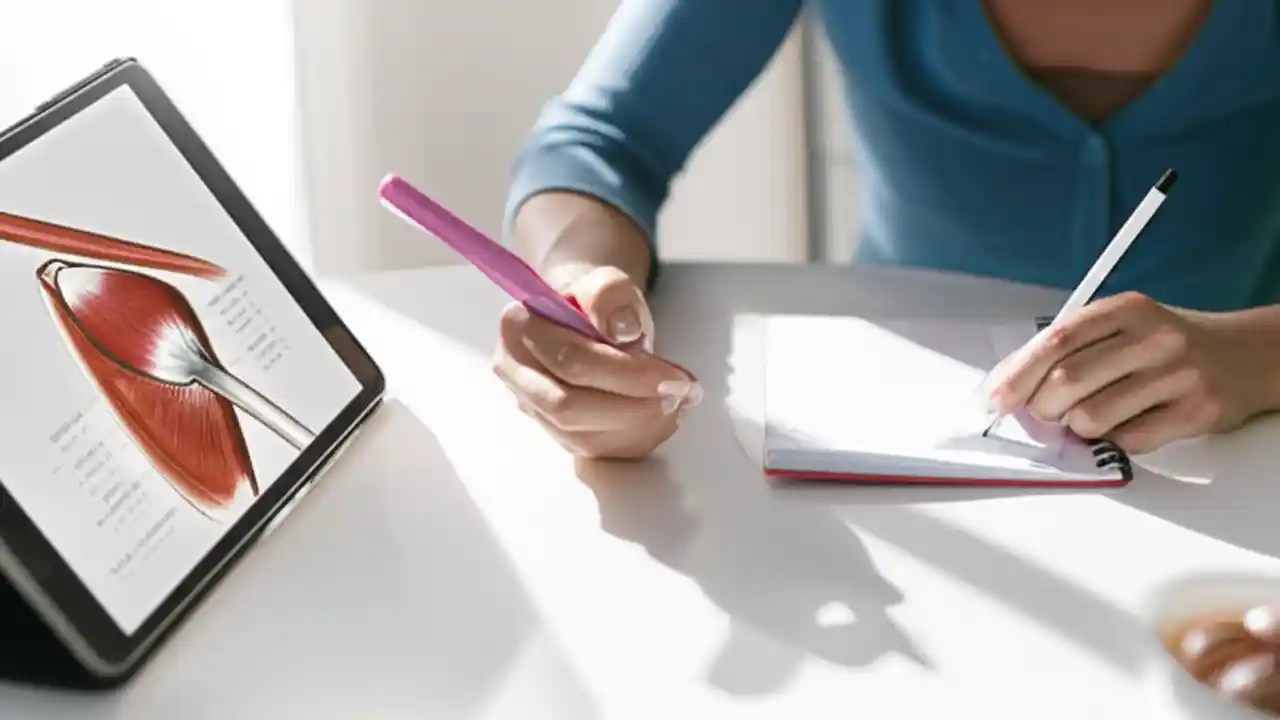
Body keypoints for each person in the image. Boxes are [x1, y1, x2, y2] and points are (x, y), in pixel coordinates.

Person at [494, 1, 1280, 460]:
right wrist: (582, 291)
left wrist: (1250, 359)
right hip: (909, 454)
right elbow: (600, 141)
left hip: (1247, 456)